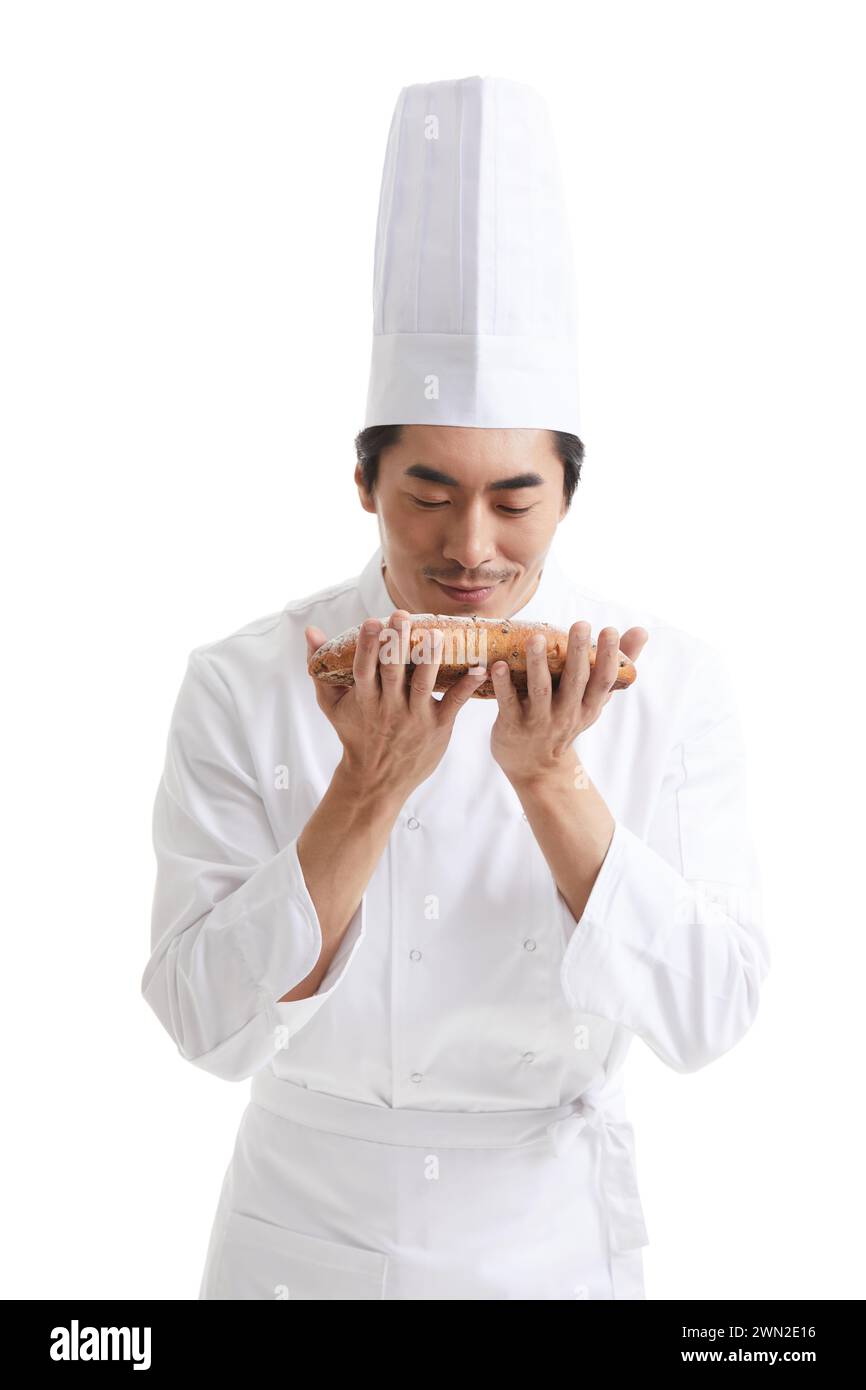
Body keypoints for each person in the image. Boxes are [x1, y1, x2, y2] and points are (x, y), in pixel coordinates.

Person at [142, 76, 769, 1300]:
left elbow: (710, 1016)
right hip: (296, 1237)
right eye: (427, 490)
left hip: (545, 1237)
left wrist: (552, 781)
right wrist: (364, 791)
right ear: (364, 482)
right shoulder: (245, 680)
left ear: (567, 494)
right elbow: (196, 1021)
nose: (469, 546)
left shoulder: (666, 682)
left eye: (513, 498)